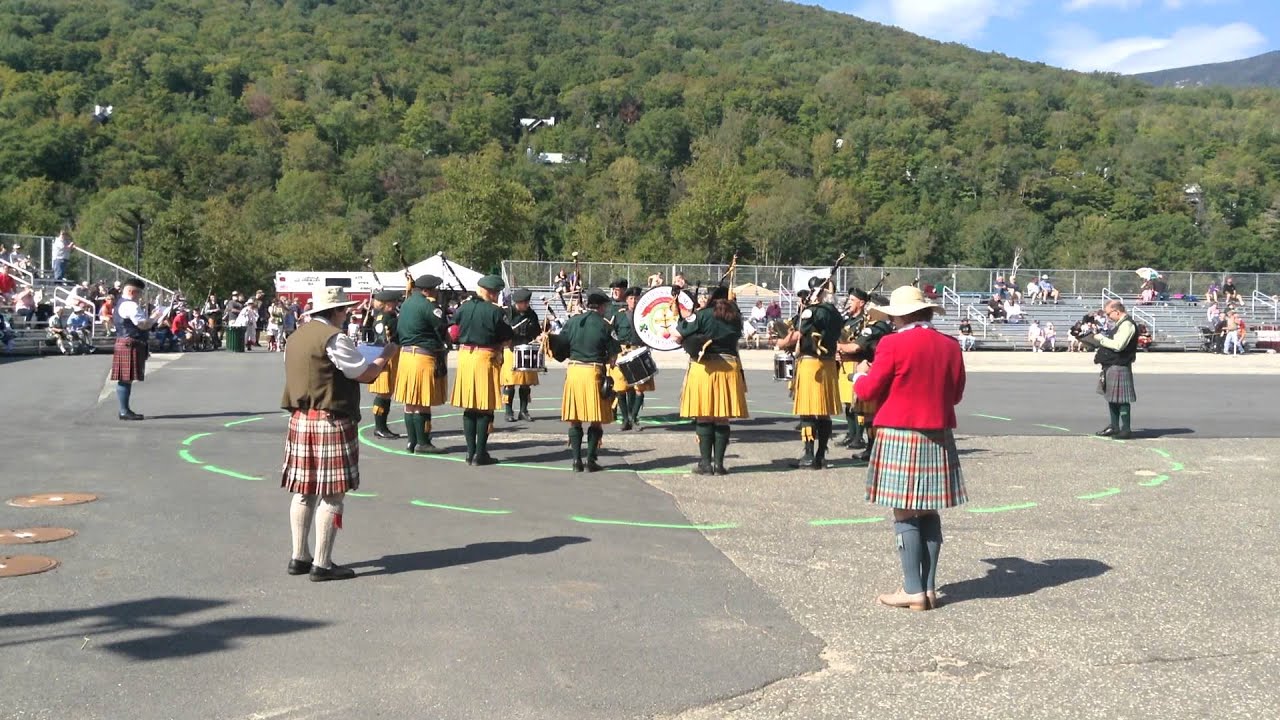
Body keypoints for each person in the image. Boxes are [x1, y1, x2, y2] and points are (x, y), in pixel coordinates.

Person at [852, 285, 966, 612]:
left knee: (903, 510)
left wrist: (859, 376)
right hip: (938, 432)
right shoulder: (950, 345)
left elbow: (869, 390)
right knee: (929, 509)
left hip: (899, 431)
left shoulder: (892, 343)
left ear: (899, 316)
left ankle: (912, 590)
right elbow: (956, 395)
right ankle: (928, 589)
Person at [281, 286, 398, 582]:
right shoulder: (335, 338)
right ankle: (322, 564)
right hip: (330, 420)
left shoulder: (295, 336)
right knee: (332, 495)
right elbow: (365, 374)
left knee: (303, 492)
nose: (346, 314)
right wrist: (385, 356)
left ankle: (299, 556)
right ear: (335, 311)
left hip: (300, 418)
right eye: (344, 309)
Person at [674, 285, 747, 474]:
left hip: (703, 368)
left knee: (704, 415)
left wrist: (690, 339)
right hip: (729, 367)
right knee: (722, 418)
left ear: (711, 298)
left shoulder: (702, 315)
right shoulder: (736, 317)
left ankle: (706, 464)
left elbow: (677, 336)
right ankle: (719, 465)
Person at [775, 276, 843, 468]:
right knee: (824, 413)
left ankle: (809, 455)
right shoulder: (835, 313)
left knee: (808, 411)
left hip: (810, 363)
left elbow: (798, 334)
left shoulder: (812, 311)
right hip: (828, 364)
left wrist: (782, 343)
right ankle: (821, 455)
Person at [551, 288, 620, 472]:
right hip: (593, 373)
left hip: (574, 372)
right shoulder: (605, 325)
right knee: (595, 419)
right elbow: (613, 359)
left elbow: (560, 349)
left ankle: (576, 461)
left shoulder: (572, 322)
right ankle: (590, 460)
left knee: (575, 419)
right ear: (602, 306)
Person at [450, 275, 514, 465]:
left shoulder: (463, 308)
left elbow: (453, 332)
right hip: (485, 357)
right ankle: (480, 454)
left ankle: (470, 453)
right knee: (485, 407)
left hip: (465, 357)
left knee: (470, 406)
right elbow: (507, 338)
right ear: (492, 292)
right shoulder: (495, 311)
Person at [394, 275, 449, 453]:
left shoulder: (407, 303)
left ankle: (412, 442)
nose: (437, 292)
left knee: (410, 403)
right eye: (435, 289)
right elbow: (441, 326)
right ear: (428, 290)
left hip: (406, 355)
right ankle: (423, 442)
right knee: (423, 402)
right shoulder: (428, 305)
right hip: (422, 357)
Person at [836, 291, 893, 457]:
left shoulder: (876, 327)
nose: (867, 309)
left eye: (871, 306)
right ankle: (871, 447)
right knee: (866, 412)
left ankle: (872, 449)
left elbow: (856, 347)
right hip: (872, 368)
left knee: (870, 413)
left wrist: (836, 346)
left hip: (871, 369)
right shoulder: (880, 326)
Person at [1078, 300, 1138, 440]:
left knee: (1122, 399)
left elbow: (1118, 345)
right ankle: (1114, 426)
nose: (1108, 316)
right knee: (1111, 397)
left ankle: (1126, 429)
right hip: (1111, 364)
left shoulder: (1127, 325)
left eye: (1108, 313)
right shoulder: (1120, 324)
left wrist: (1100, 338)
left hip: (1120, 365)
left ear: (1117, 311)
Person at [110, 278, 166, 420]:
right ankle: (124, 411)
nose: (140, 296)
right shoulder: (130, 305)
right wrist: (155, 317)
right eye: (139, 293)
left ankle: (124, 410)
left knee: (125, 378)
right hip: (129, 343)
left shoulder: (120, 303)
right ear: (131, 291)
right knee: (125, 378)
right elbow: (143, 325)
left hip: (125, 342)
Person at [608, 283, 654, 431]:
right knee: (621, 388)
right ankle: (625, 419)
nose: (634, 301)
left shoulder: (645, 316)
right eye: (631, 298)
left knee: (638, 388)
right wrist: (613, 354)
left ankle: (633, 418)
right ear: (626, 300)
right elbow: (612, 334)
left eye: (636, 298)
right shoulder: (619, 315)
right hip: (622, 353)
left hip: (638, 351)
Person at [501, 287, 541, 422]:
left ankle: (523, 411)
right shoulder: (508, 313)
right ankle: (508, 411)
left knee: (525, 383)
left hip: (526, 349)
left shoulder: (532, 315)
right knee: (510, 382)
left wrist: (540, 337)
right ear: (518, 302)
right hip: (511, 350)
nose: (526, 305)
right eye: (524, 303)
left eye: (527, 302)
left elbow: (536, 332)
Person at [368, 290, 404, 439]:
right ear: (387, 303)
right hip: (386, 356)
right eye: (394, 302)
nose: (396, 304)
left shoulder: (388, 316)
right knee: (383, 393)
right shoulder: (385, 318)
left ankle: (382, 426)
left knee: (387, 393)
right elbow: (384, 338)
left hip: (390, 355)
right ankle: (380, 427)